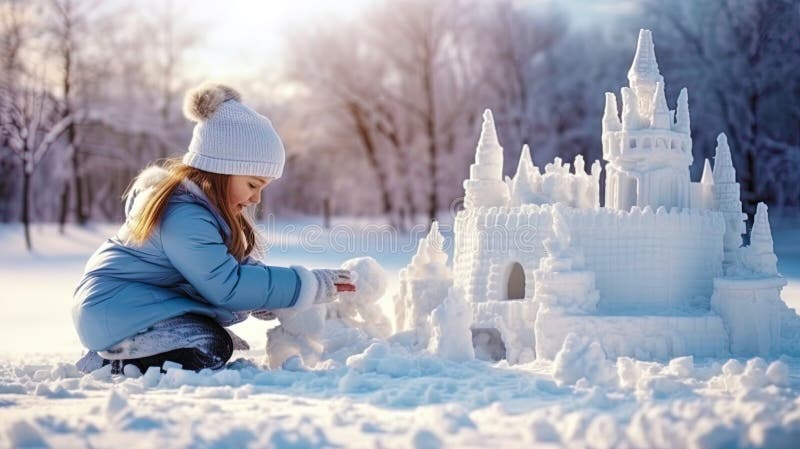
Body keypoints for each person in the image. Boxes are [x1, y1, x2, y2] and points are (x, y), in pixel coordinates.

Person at [72, 83, 355, 374]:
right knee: (212, 346)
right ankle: (111, 361)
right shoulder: (183, 217)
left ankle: (156, 342)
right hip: (113, 310)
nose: (256, 198)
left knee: (212, 343)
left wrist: (273, 300)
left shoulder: (200, 213)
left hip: (127, 308)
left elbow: (233, 268)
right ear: (220, 171)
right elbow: (229, 285)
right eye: (252, 185)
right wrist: (308, 285)